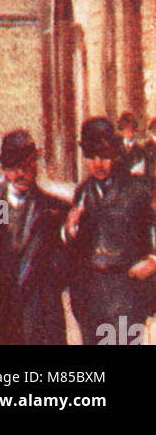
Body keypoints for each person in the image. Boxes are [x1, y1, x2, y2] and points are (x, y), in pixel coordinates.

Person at [0, 130, 69, 345]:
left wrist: (47, 284)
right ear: (4, 170)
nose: (20, 174)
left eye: (26, 167)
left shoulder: (54, 209)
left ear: (35, 165)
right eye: (13, 168)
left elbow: (68, 259)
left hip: (38, 311)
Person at [65, 117, 156, 345]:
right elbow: (76, 246)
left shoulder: (138, 190)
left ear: (115, 154)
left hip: (126, 295)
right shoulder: (83, 192)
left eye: (105, 156)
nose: (98, 164)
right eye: (92, 157)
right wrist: (68, 231)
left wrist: (153, 261)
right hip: (90, 298)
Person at [117, 111, 146, 176]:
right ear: (121, 130)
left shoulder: (140, 150)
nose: (129, 133)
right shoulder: (115, 147)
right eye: (126, 129)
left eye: (132, 130)